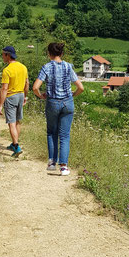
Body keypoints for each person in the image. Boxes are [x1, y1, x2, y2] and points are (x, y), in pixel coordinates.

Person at [32, 42, 85, 176]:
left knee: (51, 133)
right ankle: (64, 167)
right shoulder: (69, 67)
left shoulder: (46, 67)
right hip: (68, 103)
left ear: (49, 53)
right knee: (65, 135)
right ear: (62, 54)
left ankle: (51, 163)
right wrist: (73, 95)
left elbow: (35, 87)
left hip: (53, 102)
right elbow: (81, 87)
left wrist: (41, 96)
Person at [0, 46, 27, 157]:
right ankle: (14, 143)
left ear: (8, 55)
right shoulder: (23, 67)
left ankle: (16, 146)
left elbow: (4, 89)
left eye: (3, 54)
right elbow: (27, 83)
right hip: (20, 95)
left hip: (11, 97)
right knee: (18, 121)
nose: (2, 56)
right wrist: (25, 96)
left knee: (11, 122)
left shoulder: (7, 70)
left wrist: (0, 104)